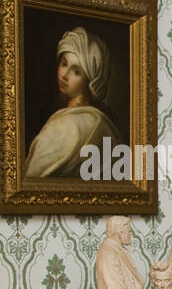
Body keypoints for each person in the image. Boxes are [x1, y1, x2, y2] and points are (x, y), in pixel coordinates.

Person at [24, 26, 123, 178]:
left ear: (90, 81)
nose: (65, 75)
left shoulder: (65, 126)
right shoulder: (102, 124)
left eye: (76, 71)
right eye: (64, 63)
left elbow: (30, 178)